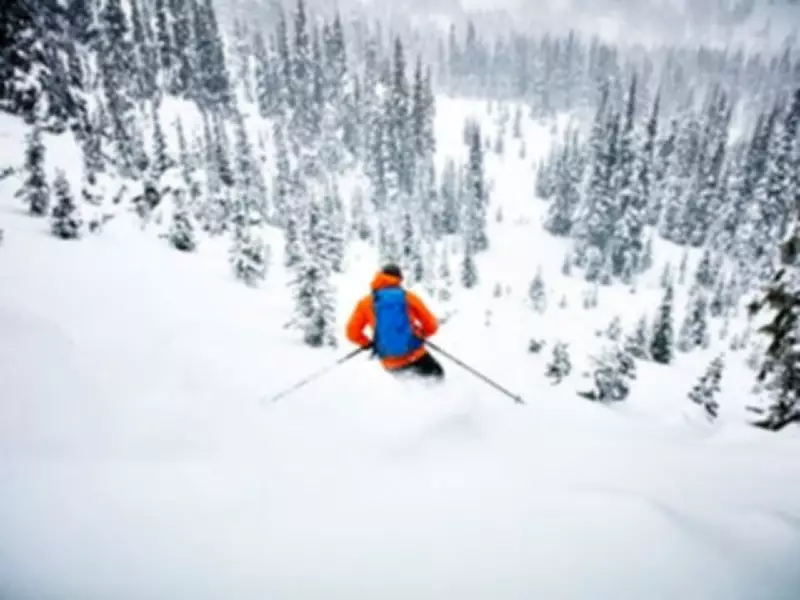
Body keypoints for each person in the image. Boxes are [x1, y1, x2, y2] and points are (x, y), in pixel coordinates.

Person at [345, 264, 445, 379]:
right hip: (415, 354)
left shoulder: (365, 302)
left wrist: (367, 343)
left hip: (390, 362)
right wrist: (421, 334)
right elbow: (432, 325)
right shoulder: (408, 297)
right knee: (438, 378)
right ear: (399, 279)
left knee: (412, 387)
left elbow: (352, 333)